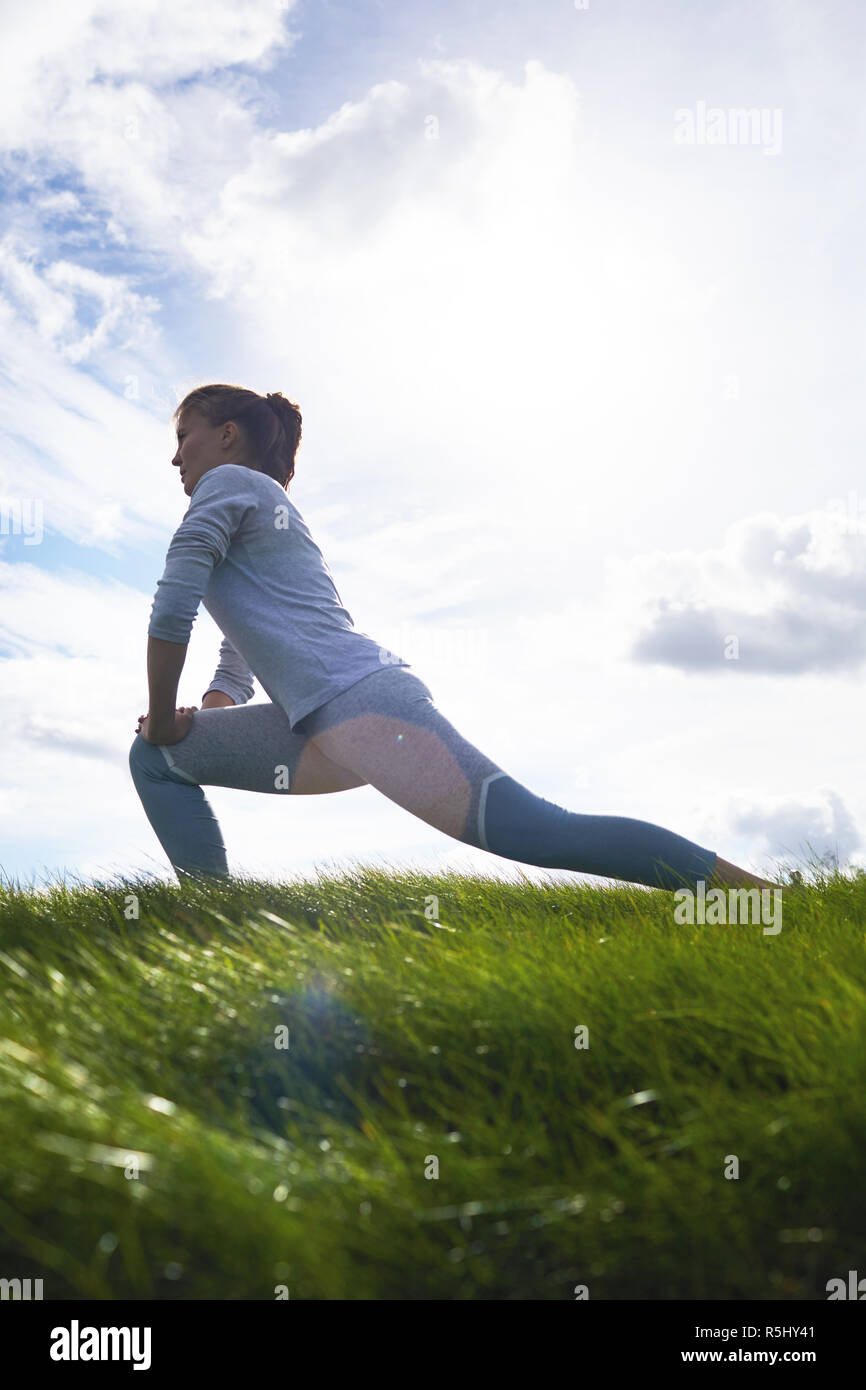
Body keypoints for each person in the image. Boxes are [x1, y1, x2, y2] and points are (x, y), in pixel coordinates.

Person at [129, 383, 778, 893]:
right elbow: (239, 651)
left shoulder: (226, 484)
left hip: (366, 710)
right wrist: (198, 720)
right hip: (316, 724)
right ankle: (213, 923)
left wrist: (160, 717)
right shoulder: (259, 502)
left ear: (227, 434)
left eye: (183, 436)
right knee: (158, 759)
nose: (174, 456)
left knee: (539, 831)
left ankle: (765, 901)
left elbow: (173, 606)